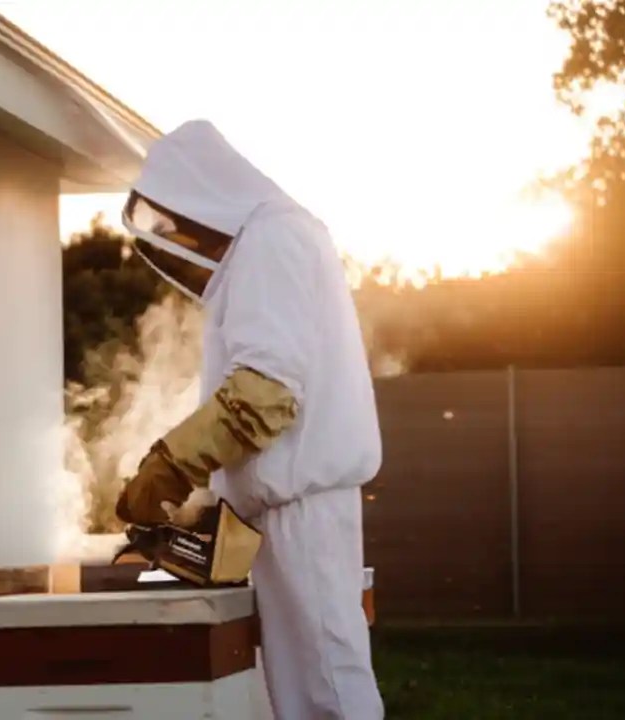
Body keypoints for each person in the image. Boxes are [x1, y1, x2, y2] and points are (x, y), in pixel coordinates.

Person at [114, 119, 385, 720]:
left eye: (178, 222)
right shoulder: (277, 238)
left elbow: (265, 393)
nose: (182, 239)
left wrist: (172, 463)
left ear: (199, 194)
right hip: (286, 509)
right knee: (305, 694)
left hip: (300, 509)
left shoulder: (273, 237)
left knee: (327, 694)